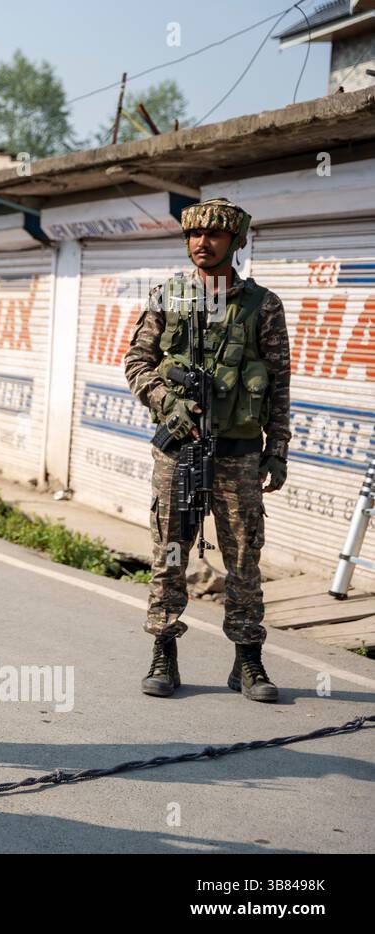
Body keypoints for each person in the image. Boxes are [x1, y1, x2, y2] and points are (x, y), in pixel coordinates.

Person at [124, 197, 291, 703]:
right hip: (179, 450)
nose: (203, 243)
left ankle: (248, 661)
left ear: (235, 242)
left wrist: (277, 448)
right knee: (170, 551)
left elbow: (279, 382)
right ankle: (163, 650)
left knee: (243, 558)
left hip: (239, 453)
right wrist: (167, 402)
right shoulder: (165, 298)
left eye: (215, 235)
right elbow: (137, 362)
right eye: (195, 235)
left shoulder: (263, 305)